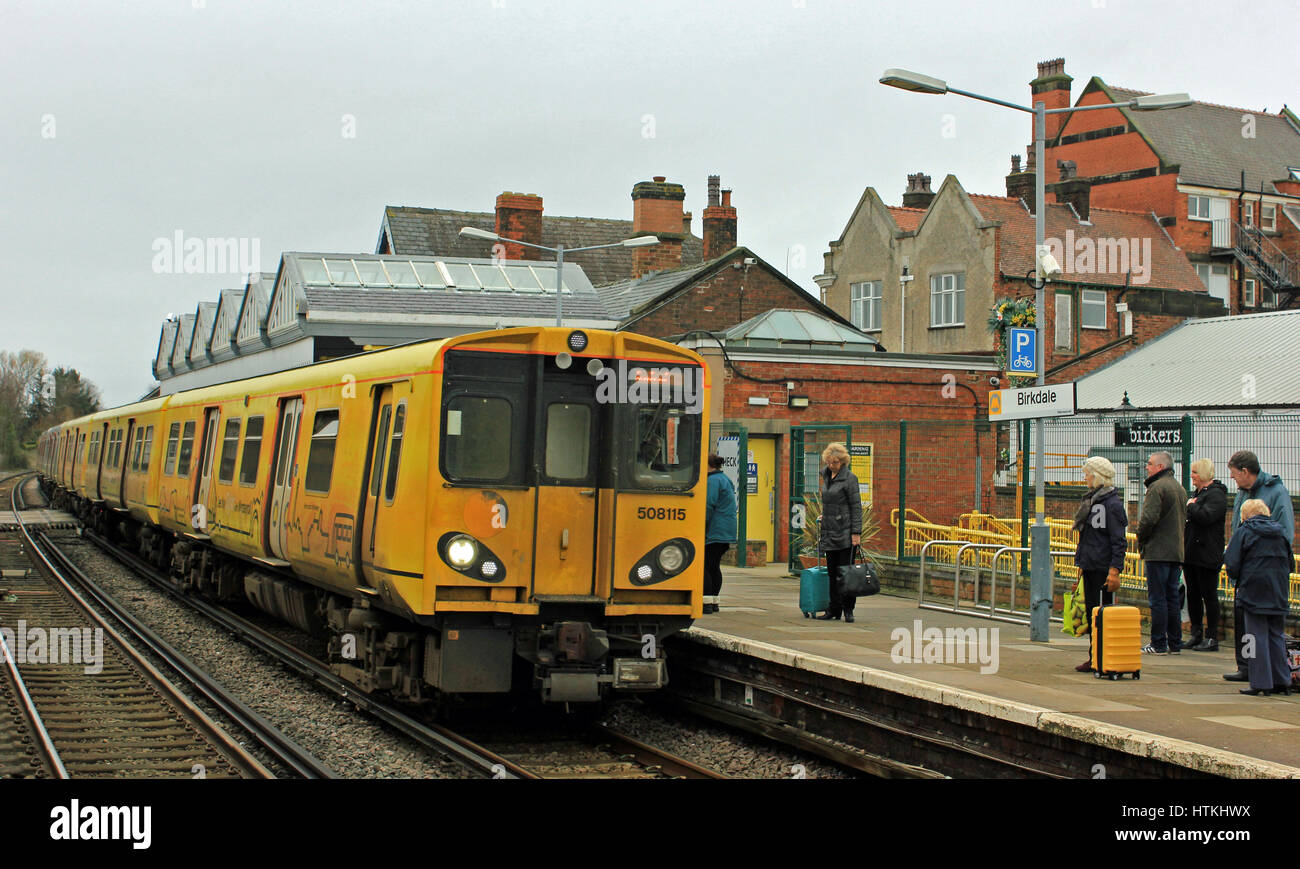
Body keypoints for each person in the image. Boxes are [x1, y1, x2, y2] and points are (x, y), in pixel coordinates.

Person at [1222, 450, 1294, 682]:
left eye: (1234, 474)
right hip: (1247, 573)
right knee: (1245, 627)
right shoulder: (1244, 492)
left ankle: (1257, 671)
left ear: (1245, 471)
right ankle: (1245, 665)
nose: (1232, 479)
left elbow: (1286, 533)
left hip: (1259, 573)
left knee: (1260, 630)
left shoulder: (1276, 492)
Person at [1071, 456, 1127, 672]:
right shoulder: (1093, 502)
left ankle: (1102, 657)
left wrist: (1114, 571)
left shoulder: (1111, 505)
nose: (1085, 478)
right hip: (1090, 564)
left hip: (1102, 567)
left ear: (1097, 476)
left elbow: (1118, 540)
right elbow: (1088, 537)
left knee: (1101, 615)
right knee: (1092, 613)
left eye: (1088, 474)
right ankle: (1095, 656)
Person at [1136, 451, 1186, 655]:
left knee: (1157, 599)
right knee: (1172, 598)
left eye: (1149, 464)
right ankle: (1175, 643)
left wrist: (1141, 537)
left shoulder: (1156, 488)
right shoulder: (1179, 488)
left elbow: (1148, 519)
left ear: (1160, 467)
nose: (1146, 467)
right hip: (1176, 551)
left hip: (1158, 551)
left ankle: (1158, 643)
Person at [1182, 458, 1228, 651]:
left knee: (1209, 595)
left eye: (1194, 472)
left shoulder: (1216, 495)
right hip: (1192, 552)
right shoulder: (1198, 493)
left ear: (1202, 474)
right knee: (1192, 594)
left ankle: (1211, 637)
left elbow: (1207, 517)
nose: (1191, 476)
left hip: (1207, 554)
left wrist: (1191, 506)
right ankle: (1196, 632)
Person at [816, 443, 862, 623]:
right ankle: (833, 608)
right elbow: (831, 502)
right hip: (829, 531)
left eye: (835, 462)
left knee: (846, 573)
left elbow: (856, 507)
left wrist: (856, 533)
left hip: (845, 532)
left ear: (842, 462)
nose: (831, 465)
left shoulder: (850, 479)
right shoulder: (827, 476)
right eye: (828, 462)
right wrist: (826, 514)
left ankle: (848, 609)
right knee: (832, 572)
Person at [703, 453, 737, 615]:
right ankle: (715, 601)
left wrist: (702, 526)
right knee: (714, 566)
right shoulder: (725, 479)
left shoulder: (712, 481)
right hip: (727, 529)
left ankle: (706, 602)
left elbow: (708, 505)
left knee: (704, 566)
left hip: (715, 530)